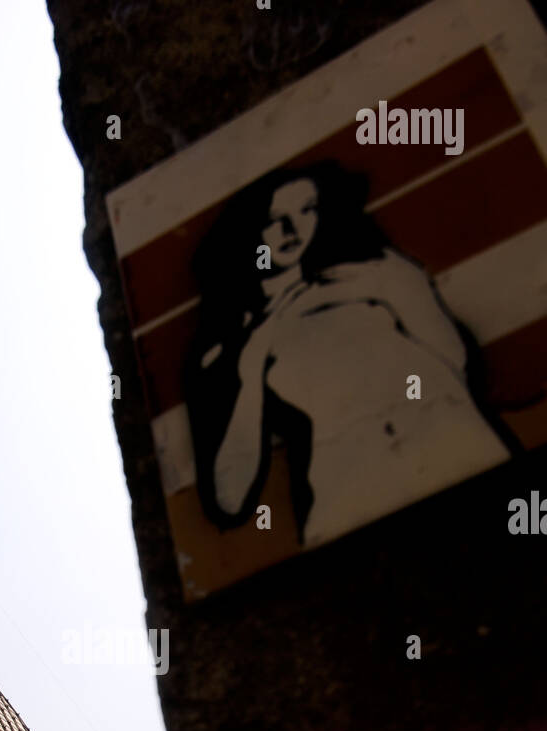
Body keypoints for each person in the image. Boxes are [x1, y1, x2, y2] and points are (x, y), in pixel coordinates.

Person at [184, 162, 514, 548]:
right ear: (248, 230)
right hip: (356, 493)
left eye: (307, 210)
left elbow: (456, 363)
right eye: (275, 220)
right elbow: (230, 495)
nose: (294, 230)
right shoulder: (235, 343)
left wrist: (400, 288)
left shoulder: (370, 274)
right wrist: (250, 365)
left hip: (457, 447)